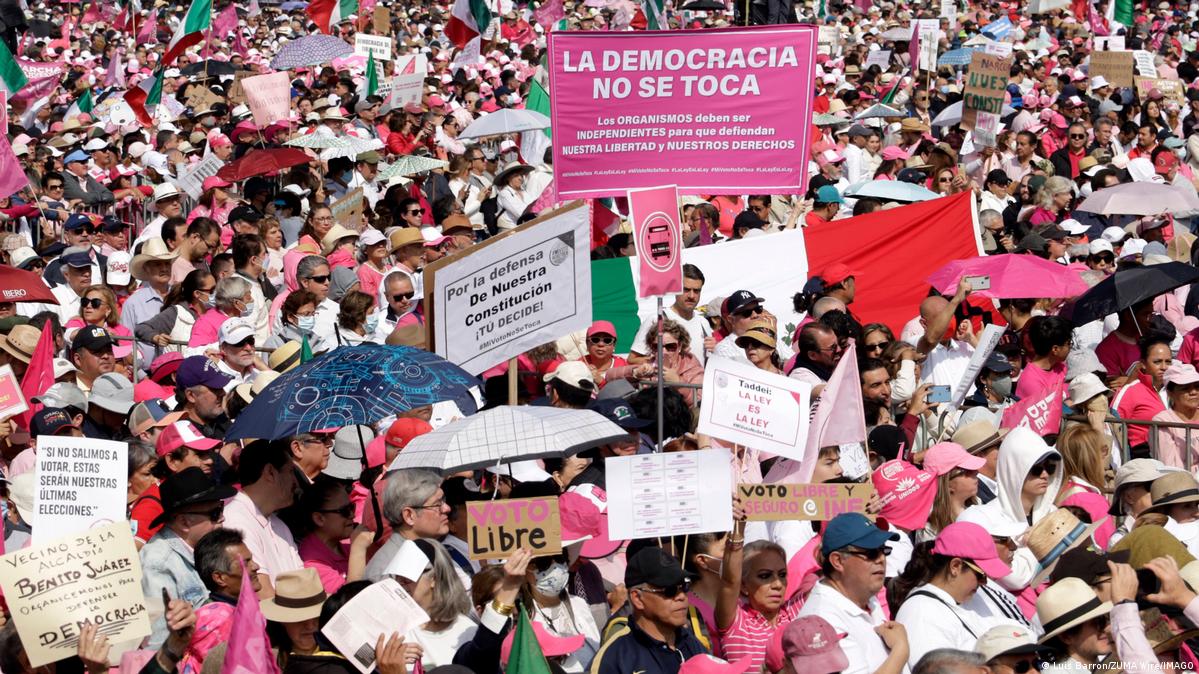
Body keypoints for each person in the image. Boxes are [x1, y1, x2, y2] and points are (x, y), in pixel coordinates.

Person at [796, 512, 910, 674]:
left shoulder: (865, 597)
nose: (881, 559)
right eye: (871, 553)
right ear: (838, 561)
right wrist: (900, 650)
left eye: (883, 550)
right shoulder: (821, 621)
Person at [139, 467, 236, 648]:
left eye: (221, 508)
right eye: (214, 513)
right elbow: (159, 644)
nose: (222, 518)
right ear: (184, 522)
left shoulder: (205, 547)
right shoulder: (158, 564)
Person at [892, 522, 1012, 666]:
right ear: (955, 566)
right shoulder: (920, 612)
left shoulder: (970, 596)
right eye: (981, 575)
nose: (984, 583)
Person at [590, 546, 710, 674]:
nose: (681, 596)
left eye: (684, 587)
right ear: (637, 598)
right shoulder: (615, 658)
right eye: (670, 590)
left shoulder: (692, 644)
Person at [716, 502, 803, 671]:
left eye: (782, 575)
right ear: (743, 586)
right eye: (765, 576)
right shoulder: (736, 623)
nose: (777, 584)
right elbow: (728, 582)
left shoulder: (795, 613)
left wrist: (865, 508)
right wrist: (738, 528)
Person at [222, 439, 304, 594]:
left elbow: (303, 581)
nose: (295, 482)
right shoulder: (236, 522)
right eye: (290, 471)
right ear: (270, 473)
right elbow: (261, 593)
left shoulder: (279, 525)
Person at [298, 480, 373, 594]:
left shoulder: (345, 547)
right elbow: (349, 601)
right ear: (319, 519)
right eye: (344, 511)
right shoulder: (312, 563)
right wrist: (358, 549)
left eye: (352, 507)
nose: (352, 515)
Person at [628, 264, 712, 365]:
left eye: (696, 291)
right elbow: (632, 360)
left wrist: (716, 352)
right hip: (667, 381)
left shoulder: (704, 323)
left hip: (697, 379)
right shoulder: (657, 319)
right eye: (686, 290)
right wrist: (661, 359)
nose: (691, 296)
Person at [1114, 333, 1173, 454]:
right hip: (1142, 458)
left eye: (1168, 362)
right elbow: (1113, 426)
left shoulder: (1177, 391)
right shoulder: (1130, 391)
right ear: (1143, 364)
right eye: (1157, 362)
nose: (1164, 367)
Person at [1151, 362, 1199, 472]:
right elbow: (1170, 466)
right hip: (1184, 483)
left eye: (1197, 387)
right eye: (1185, 388)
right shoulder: (1162, 421)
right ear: (1170, 393)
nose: (1193, 392)